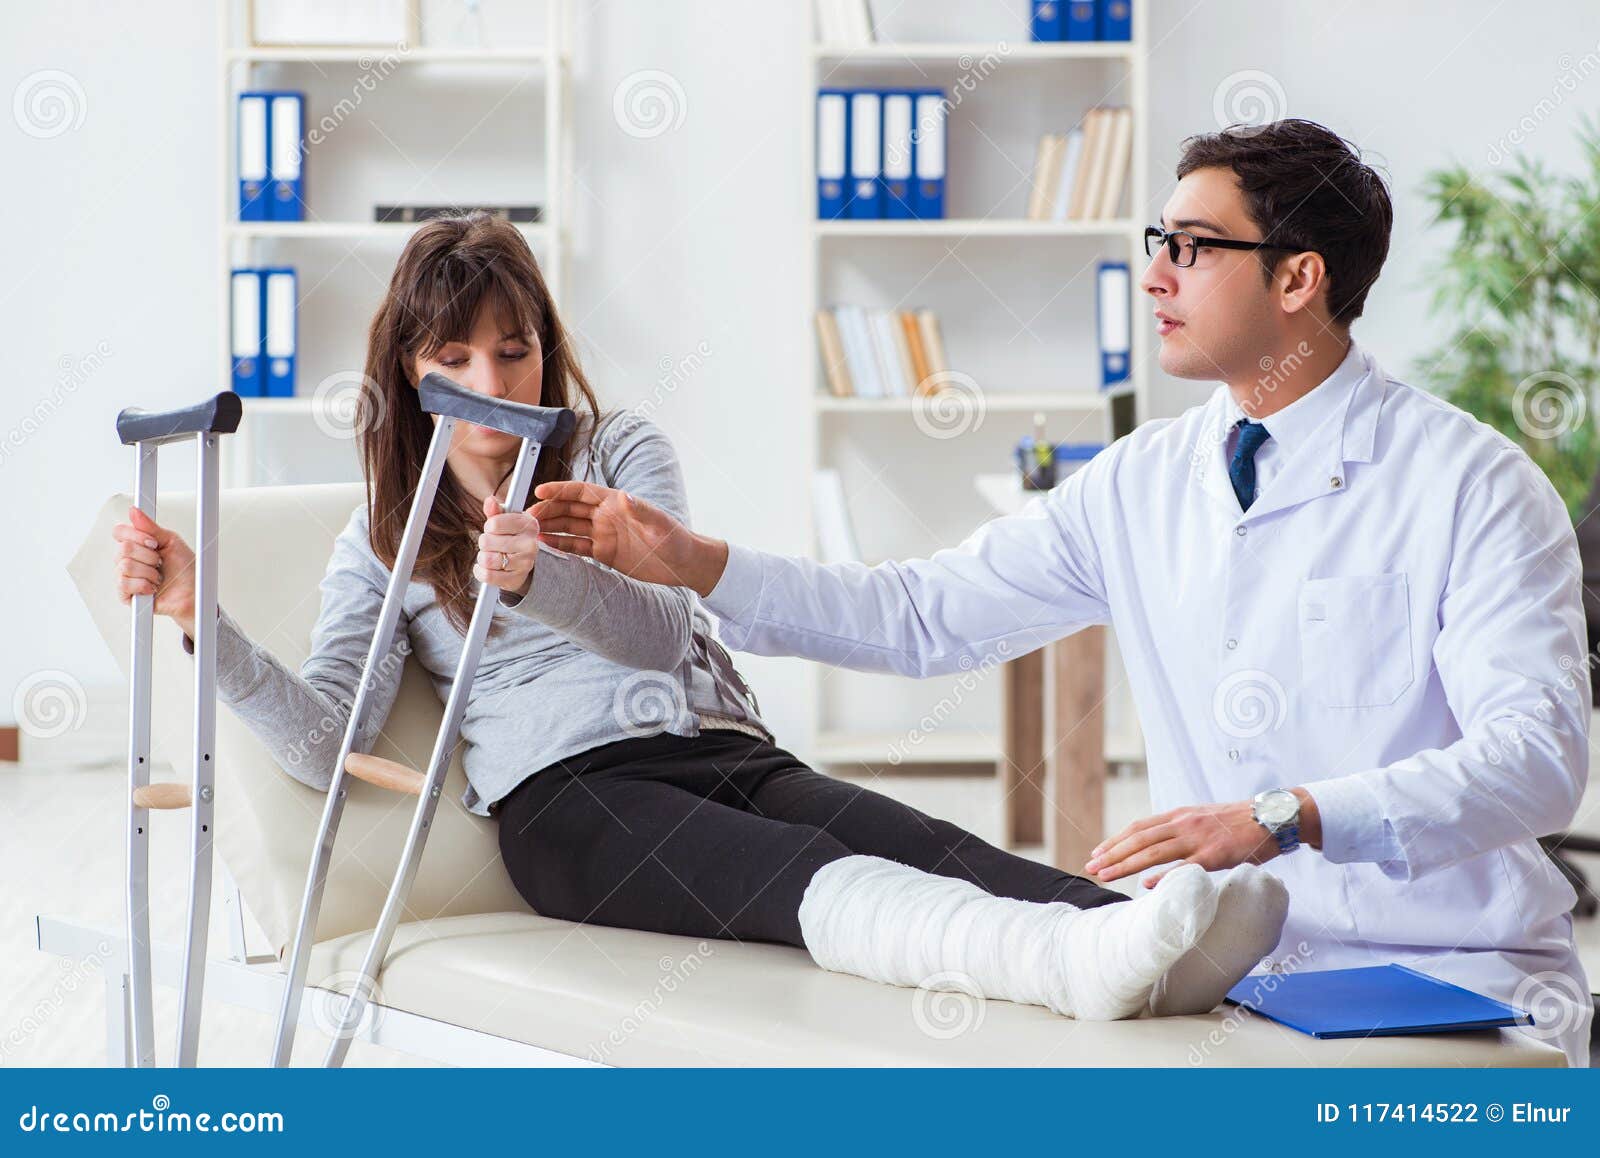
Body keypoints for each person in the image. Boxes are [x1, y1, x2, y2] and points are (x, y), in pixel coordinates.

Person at [528, 121, 1594, 1065]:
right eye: (1157, 241)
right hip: (1236, 979)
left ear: (1297, 279)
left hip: (1453, 979)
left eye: (1192, 247)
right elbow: (922, 615)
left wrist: (1287, 817)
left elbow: (1538, 759)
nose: (1154, 276)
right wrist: (695, 561)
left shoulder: (1472, 485)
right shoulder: (1144, 479)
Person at [110, 213, 1286, 1027]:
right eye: (457, 358)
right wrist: (201, 616)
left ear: (546, 349)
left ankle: (1169, 941)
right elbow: (326, 742)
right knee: (806, 871)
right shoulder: (384, 534)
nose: (495, 386)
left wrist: (543, 575)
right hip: (565, 802)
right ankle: (1072, 964)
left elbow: (663, 635)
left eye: (516, 352)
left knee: (924, 842)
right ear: (411, 373)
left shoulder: (616, 448)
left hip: (719, 750)